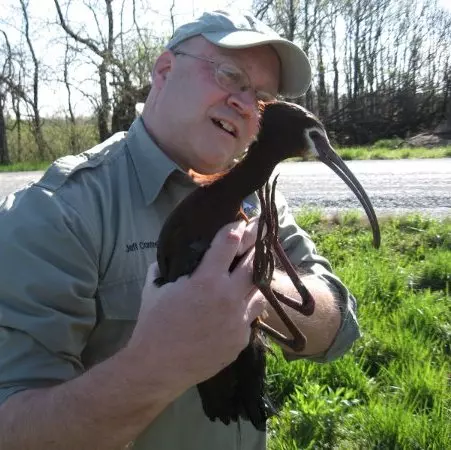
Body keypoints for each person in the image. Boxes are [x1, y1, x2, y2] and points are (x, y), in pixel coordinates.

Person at [0, 10, 360, 450]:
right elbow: (12, 428)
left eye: (262, 98)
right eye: (230, 75)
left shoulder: (258, 197)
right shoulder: (59, 213)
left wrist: (257, 289)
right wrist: (158, 364)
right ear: (165, 70)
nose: (246, 105)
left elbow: (338, 331)